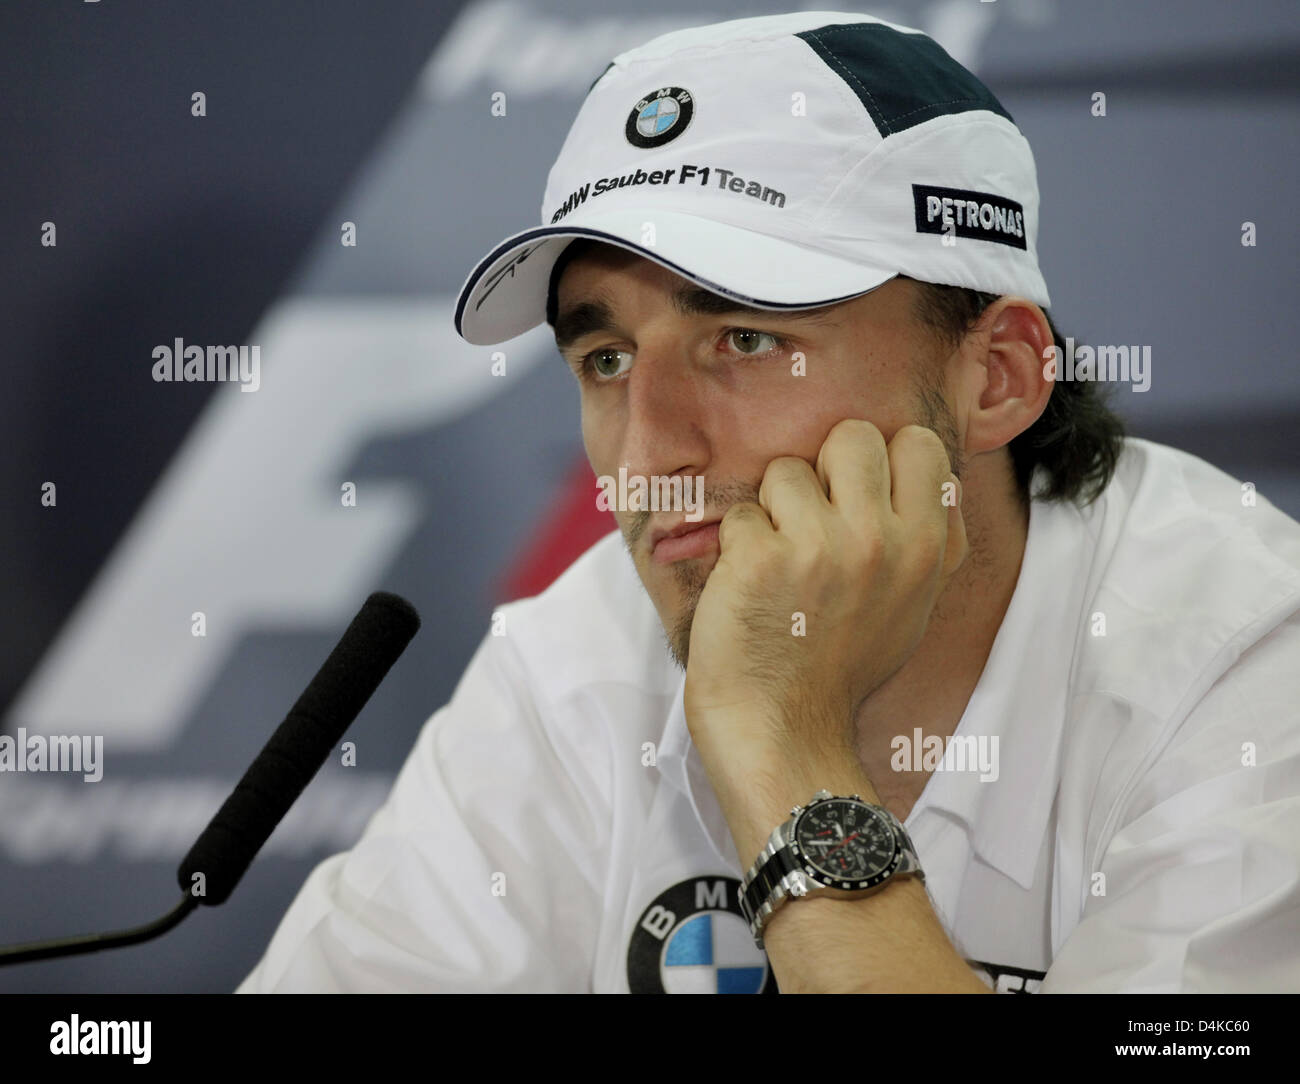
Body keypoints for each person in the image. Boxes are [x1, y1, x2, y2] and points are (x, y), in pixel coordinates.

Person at [237, 11, 1300, 993]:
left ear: (999, 377)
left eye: (746, 341)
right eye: (605, 359)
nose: (646, 452)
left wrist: (782, 747)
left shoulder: (1247, 664)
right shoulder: (578, 652)